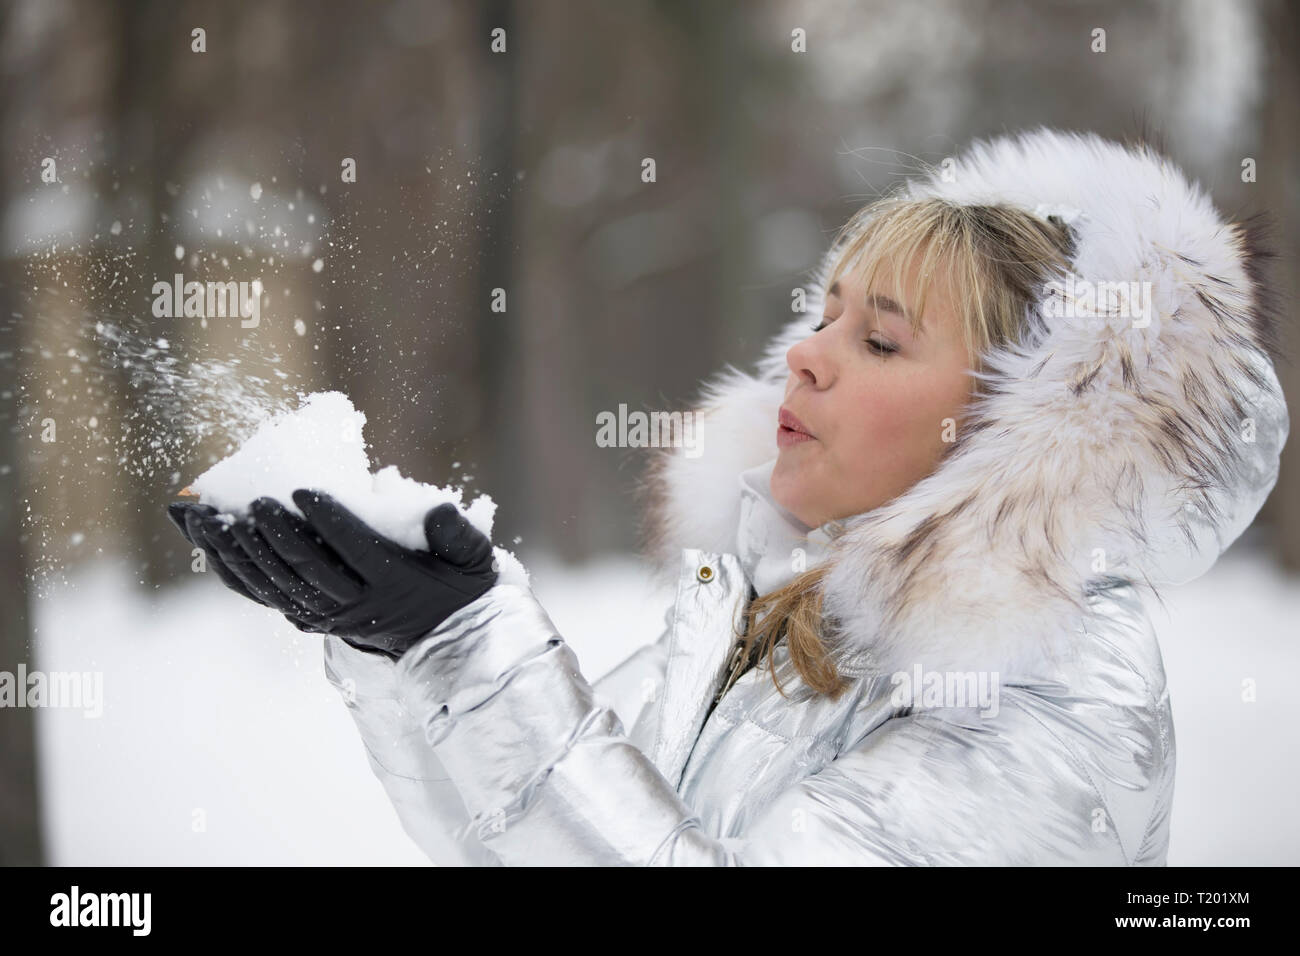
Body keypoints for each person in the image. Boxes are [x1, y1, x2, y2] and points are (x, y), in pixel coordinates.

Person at [168, 127, 1289, 865]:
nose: (805, 355)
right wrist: (405, 644)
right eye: (826, 311)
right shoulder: (772, 610)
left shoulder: (1050, 702)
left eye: (881, 339)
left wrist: (474, 648)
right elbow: (517, 832)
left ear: (1018, 430)